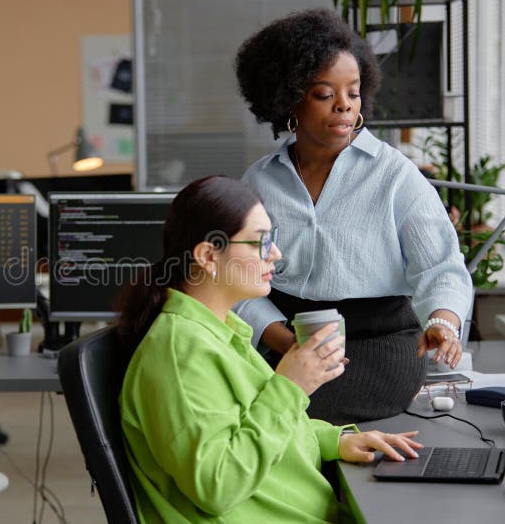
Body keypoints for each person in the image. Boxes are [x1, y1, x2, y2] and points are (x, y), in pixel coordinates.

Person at [117, 176, 421, 523]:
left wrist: (333, 441)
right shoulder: (178, 352)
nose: (275, 254)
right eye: (261, 243)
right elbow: (218, 485)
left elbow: (256, 427)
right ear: (208, 256)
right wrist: (290, 386)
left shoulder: (219, 332)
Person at [233, 9, 473, 424]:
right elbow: (236, 279)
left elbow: (442, 269)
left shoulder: (395, 175)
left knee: (285, 412)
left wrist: (442, 322)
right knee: (241, 402)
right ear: (288, 99)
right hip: (281, 336)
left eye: (354, 93)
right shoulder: (259, 181)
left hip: (378, 347)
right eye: (325, 95)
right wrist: (282, 339)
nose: (344, 105)